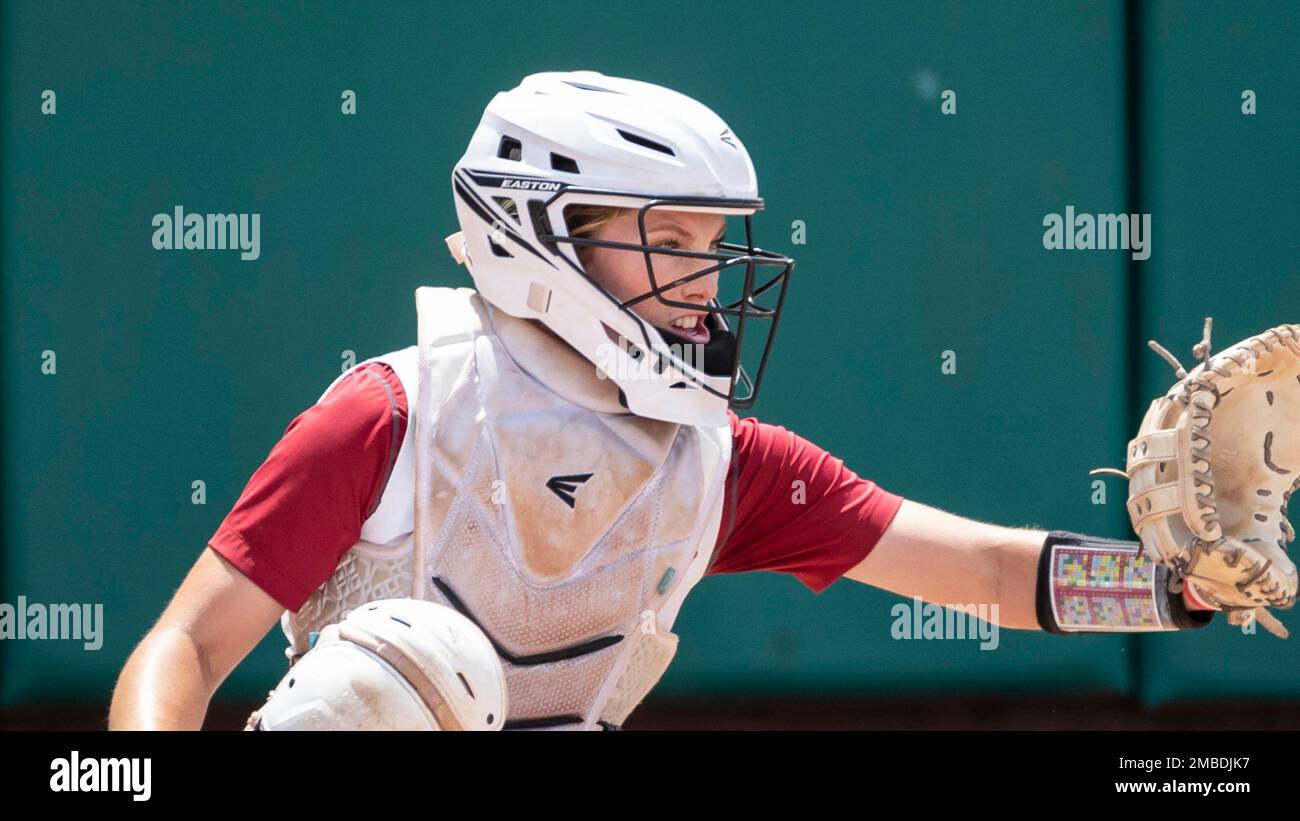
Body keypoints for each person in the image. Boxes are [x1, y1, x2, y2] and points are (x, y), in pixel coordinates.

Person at [109, 70, 1217, 731]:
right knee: (402, 659)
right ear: (543, 232)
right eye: (668, 238)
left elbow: (980, 572)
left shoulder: (717, 460)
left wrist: (1175, 590)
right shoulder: (390, 412)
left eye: (713, 241)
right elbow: (187, 653)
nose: (707, 275)